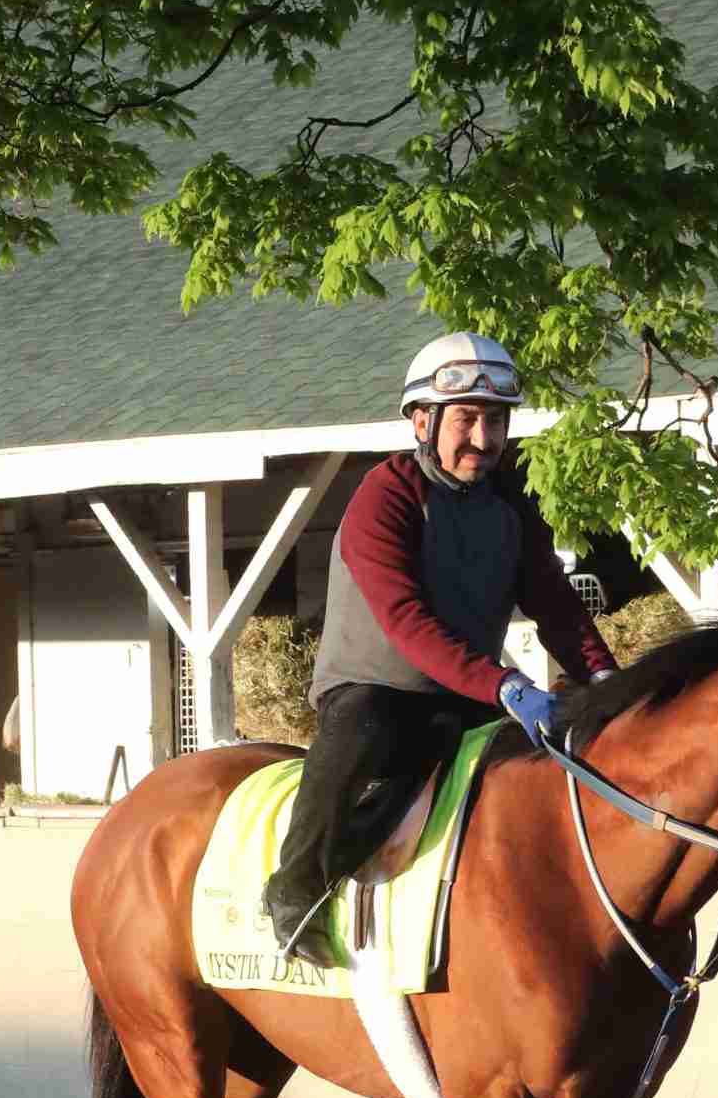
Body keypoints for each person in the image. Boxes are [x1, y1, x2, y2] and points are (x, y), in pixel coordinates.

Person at [261, 331, 616, 958]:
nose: (484, 440)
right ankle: (296, 888)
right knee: (366, 731)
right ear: (422, 421)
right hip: (377, 686)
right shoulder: (383, 497)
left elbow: (556, 604)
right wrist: (505, 682)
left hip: (467, 690)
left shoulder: (512, 504)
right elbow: (406, 621)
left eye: (497, 422)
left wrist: (608, 682)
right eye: (468, 419)